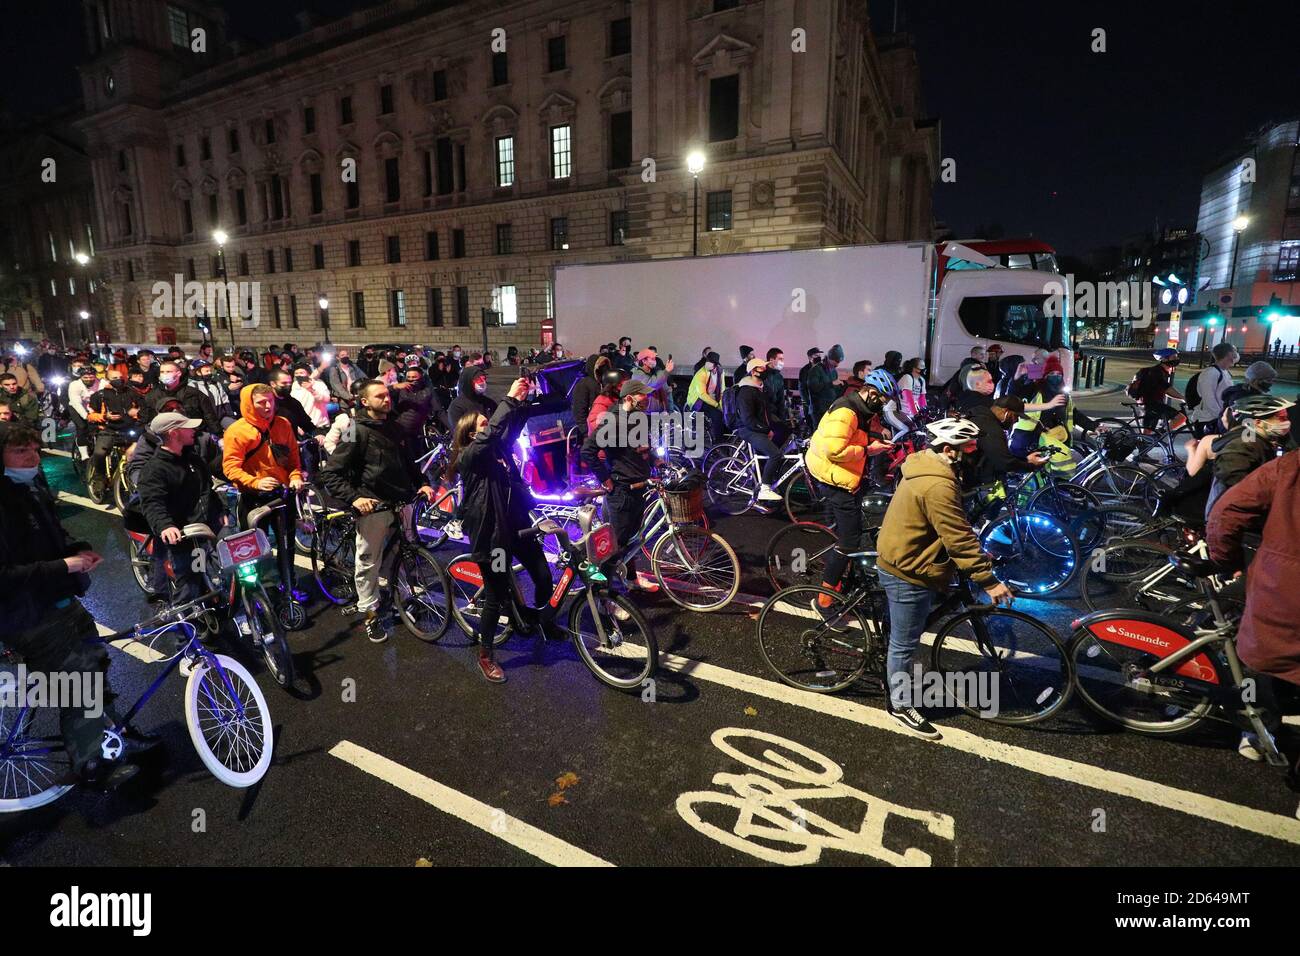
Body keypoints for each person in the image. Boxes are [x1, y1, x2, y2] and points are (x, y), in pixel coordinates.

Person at [0, 425, 141, 789]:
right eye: (20, 452)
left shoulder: (31, 486)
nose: (32, 457)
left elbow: (53, 536)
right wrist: (64, 565)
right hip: (27, 615)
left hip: (62, 600)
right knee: (81, 685)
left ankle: (113, 738)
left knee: (96, 664)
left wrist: (76, 548)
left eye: (34, 449)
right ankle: (93, 764)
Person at [875, 418, 1012, 737]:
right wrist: (988, 581)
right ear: (948, 449)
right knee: (904, 643)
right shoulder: (938, 484)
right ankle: (898, 704)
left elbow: (952, 531)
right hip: (909, 568)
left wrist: (974, 556)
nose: (974, 453)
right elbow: (957, 538)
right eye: (968, 448)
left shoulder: (928, 466)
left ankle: (891, 646)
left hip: (910, 554)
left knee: (905, 628)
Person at [449, 377, 563, 680]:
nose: (492, 429)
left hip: (519, 528)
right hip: (496, 538)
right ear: (472, 434)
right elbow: (491, 435)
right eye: (485, 426)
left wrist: (522, 402)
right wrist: (508, 400)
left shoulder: (498, 450)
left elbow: (508, 428)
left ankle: (544, 622)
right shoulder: (470, 457)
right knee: (496, 596)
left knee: (542, 576)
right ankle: (486, 655)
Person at [319, 380, 436, 643]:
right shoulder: (354, 430)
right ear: (364, 401)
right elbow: (331, 472)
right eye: (379, 396)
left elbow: (408, 463)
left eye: (387, 394)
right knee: (368, 562)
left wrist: (424, 484)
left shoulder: (395, 427)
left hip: (401, 501)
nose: (387, 399)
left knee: (402, 553)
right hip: (373, 505)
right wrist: (355, 498)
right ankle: (370, 613)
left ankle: (402, 600)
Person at [1207, 446, 1300, 757]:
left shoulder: (1288, 466)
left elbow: (1226, 512)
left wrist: (1227, 560)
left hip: (1278, 590)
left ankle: (1259, 732)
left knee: (1266, 662)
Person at [806, 367, 897, 599]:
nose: (884, 405)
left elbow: (857, 433)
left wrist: (879, 435)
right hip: (833, 475)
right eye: (883, 399)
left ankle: (842, 567)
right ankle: (825, 598)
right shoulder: (846, 411)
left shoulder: (861, 407)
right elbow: (835, 450)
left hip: (845, 471)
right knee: (849, 541)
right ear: (871, 393)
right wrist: (869, 449)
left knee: (851, 531)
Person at [221, 383, 306, 602]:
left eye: (271, 400)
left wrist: (295, 475)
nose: (268, 406)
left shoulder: (283, 424)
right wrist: (255, 482)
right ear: (249, 403)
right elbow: (230, 467)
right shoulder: (237, 431)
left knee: (287, 545)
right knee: (252, 552)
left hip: (282, 495)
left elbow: (294, 457)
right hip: (253, 499)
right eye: (261, 402)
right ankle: (254, 594)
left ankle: (288, 586)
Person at [581, 380, 660, 599]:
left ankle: (632, 579)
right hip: (621, 493)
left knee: (632, 540)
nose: (647, 400)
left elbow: (641, 449)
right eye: (642, 397)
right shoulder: (611, 421)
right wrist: (605, 479)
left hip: (639, 488)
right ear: (629, 398)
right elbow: (588, 451)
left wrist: (656, 460)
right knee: (612, 550)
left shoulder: (639, 418)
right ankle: (603, 601)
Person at [135, 411, 221, 605]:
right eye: (188, 427)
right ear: (174, 433)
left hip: (204, 530)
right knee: (189, 584)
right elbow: (152, 502)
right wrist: (166, 526)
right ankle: (187, 627)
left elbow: (206, 489)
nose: (194, 430)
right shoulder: (155, 469)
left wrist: (219, 510)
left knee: (210, 571)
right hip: (184, 536)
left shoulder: (193, 458)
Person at [1205, 394, 1295, 516]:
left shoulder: (1264, 439)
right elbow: (1239, 490)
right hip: (1234, 519)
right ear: (1258, 422)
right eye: (1282, 418)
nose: (1286, 422)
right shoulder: (1241, 449)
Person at [85, 368, 143, 495]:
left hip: (129, 429)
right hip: (108, 430)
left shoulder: (132, 393)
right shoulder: (99, 395)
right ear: (107, 379)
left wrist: (136, 414)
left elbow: (143, 409)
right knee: (99, 453)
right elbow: (90, 415)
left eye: (120, 377)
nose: (119, 380)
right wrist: (105, 417)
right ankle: (100, 478)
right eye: (114, 378)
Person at [143, 360, 222, 436]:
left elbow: (209, 415)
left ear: (178, 373)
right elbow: (147, 418)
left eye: (168, 372)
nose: (164, 374)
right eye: (162, 372)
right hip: (165, 437)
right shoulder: (152, 396)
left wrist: (218, 435)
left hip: (192, 435)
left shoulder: (193, 393)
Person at [388, 361, 442, 452]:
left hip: (417, 432)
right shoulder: (401, 389)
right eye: (408, 377)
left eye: (414, 377)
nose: (411, 380)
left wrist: (453, 427)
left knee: (417, 458)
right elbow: (381, 393)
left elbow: (439, 411)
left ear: (421, 377)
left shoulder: (427, 391)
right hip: (400, 430)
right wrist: (395, 387)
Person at [1187, 342, 1238, 438]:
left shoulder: (1225, 372)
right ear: (1229, 354)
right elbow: (1209, 400)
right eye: (1235, 351)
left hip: (1218, 419)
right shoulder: (1210, 373)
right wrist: (1221, 418)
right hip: (1208, 420)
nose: (1236, 354)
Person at [1129, 347, 1184, 431]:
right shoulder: (1158, 372)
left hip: (1148, 404)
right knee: (1180, 418)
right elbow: (1167, 389)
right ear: (1165, 359)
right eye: (1174, 357)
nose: (1177, 359)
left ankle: (1156, 438)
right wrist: (1183, 398)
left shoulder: (1160, 371)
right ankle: (1161, 434)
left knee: (1146, 435)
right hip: (1152, 405)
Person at [570, 353, 612, 440]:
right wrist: (585, 432)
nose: (604, 368)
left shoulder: (606, 383)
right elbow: (579, 410)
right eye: (601, 366)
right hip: (591, 432)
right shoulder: (584, 384)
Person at [446, 364, 496, 431]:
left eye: (483, 378)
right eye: (478, 379)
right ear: (468, 381)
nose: (482, 382)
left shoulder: (489, 402)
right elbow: (460, 432)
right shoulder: (456, 407)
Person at [897, 357, 928, 423]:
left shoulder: (921, 380)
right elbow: (909, 399)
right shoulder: (907, 377)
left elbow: (922, 398)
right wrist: (915, 414)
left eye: (924, 367)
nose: (923, 369)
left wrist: (925, 412)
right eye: (921, 367)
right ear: (914, 368)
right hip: (901, 412)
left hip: (911, 413)